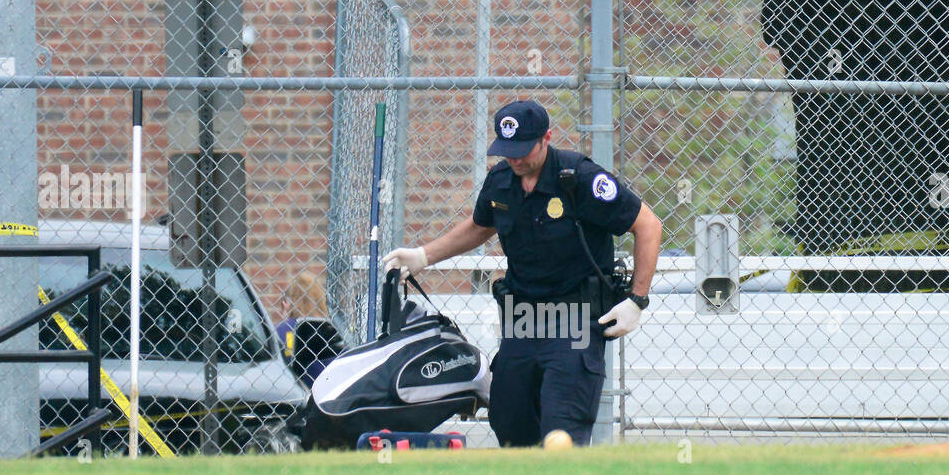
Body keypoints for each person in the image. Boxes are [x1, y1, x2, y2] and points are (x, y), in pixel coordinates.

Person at [383, 98, 662, 446]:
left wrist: (636, 300)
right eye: (507, 150)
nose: (514, 158)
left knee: (561, 427)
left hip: (574, 317)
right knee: (508, 416)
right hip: (523, 317)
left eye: (523, 150)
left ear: (546, 138)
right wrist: (424, 256)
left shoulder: (580, 179)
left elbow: (648, 225)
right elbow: (480, 226)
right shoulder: (501, 181)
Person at [275, 269, 344, 388]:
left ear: (287, 303)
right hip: (333, 388)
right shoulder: (333, 328)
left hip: (298, 390)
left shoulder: (283, 330)